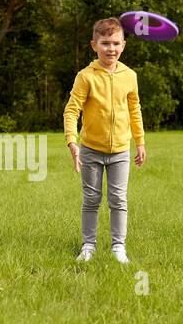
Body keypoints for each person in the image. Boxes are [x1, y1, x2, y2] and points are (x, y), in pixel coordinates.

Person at [63, 17, 147, 264]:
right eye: (105, 43)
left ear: (123, 45)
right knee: (91, 199)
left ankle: (118, 247)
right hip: (90, 149)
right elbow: (71, 110)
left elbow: (135, 110)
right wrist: (72, 142)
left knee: (118, 199)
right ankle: (88, 245)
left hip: (121, 150)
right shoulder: (86, 76)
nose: (111, 48)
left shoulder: (129, 76)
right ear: (94, 45)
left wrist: (140, 142)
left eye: (116, 43)